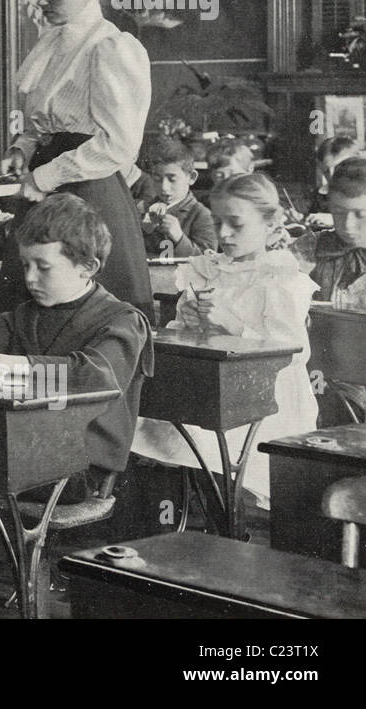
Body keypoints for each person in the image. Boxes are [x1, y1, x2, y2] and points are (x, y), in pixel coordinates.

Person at [0, 194, 150, 618]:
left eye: (44, 267)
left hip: (80, 464)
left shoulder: (121, 320)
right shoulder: (25, 314)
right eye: (25, 266)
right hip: (20, 452)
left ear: (87, 267)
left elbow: (93, 376)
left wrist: (1, 366)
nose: (31, 277)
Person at [132, 173, 318, 508]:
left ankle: (221, 516)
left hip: (264, 399)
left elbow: (293, 353)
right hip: (210, 388)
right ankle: (190, 514)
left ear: (270, 224)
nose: (224, 234)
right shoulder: (208, 269)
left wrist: (232, 326)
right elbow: (181, 336)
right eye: (218, 223)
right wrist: (186, 325)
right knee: (151, 421)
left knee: (197, 437)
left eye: (236, 224)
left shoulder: (279, 276)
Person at [0, 0, 153, 322]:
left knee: (82, 307)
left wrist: (44, 177)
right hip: (44, 187)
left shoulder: (111, 47)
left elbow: (118, 146)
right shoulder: (52, 41)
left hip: (89, 191)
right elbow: (45, 121)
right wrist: (23, 148)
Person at [292, 157, 366, 420]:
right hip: (319, 371)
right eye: (338, 212)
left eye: (360, 214)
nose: (347, 225)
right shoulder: (311, 248)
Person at [137, 135, 217, 257]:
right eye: (157, 179)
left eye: (172, 179)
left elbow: (208, 262)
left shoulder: (202, 216)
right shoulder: (144, 209)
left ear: (191, 178)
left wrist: (179, 237)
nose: (164, 187)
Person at [307, 136, 359, 226]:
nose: (332, 177)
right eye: (326, 171)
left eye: (339, 169)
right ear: (320, 166)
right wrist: (303, 218)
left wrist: (334, 219)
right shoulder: (321, 195)